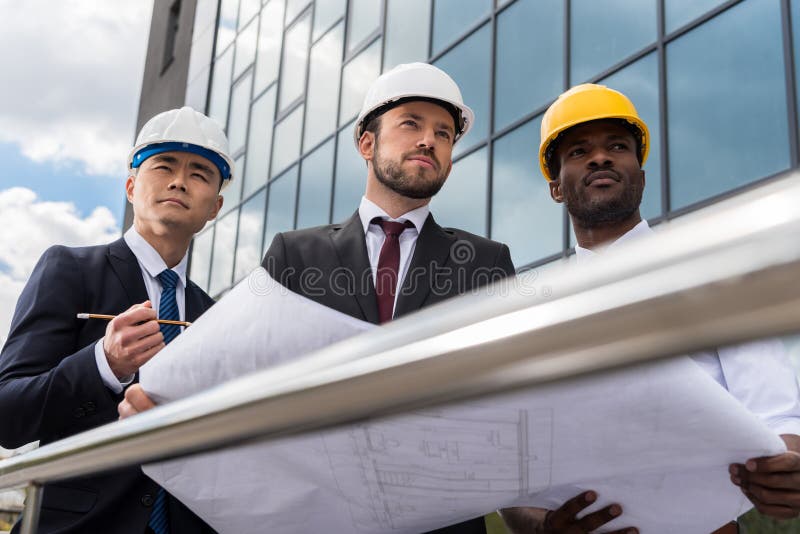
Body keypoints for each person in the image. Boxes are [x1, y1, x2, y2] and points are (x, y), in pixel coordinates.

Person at [120, 63, 515, 533]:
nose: (429, 140)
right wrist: (164, 401)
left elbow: (508, 399)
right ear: (366, 143)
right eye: (411, 123)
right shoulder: (295, 253)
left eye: (444, 133)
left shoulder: (486, 263)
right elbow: (238, 368)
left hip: (439, 519)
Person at [501, 84, 800, 534]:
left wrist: (784, 476)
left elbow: (780, 419)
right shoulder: (537, 315)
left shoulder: (715, 275)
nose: (600, 158)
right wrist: (543, 528)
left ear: (640, 172)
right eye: (579, 151)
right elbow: (510, 481)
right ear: (555, 187)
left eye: (617, 147)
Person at [0, 106, 232, 533]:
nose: (179, 180)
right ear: (130, 186)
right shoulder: (69, 269)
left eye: (200, 173)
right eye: (164, 166)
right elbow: (8, 414)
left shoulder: (214, 316)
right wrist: (103, 363)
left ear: (215, 206)